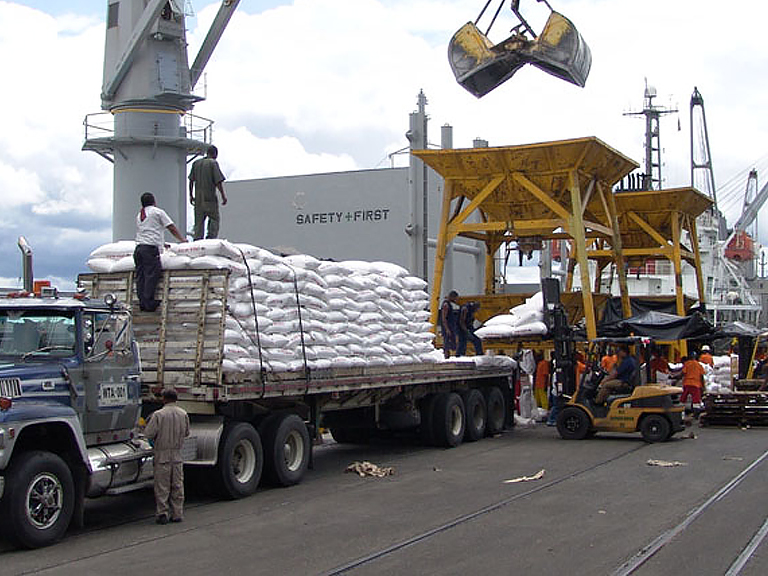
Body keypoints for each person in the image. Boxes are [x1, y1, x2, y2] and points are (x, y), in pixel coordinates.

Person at [134, 193, 187, 312]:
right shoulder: (158, 212)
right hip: (150, 249)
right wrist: (182, 240)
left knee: (140, 276)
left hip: (139, 248)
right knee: (152, 274)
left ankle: (142, 302)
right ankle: (149, 302)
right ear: (154, 201)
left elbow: (148, 232)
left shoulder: (140, 215)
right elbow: (171, 227)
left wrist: (162, 244)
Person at [144, 389, 190, 524]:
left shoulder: (158, 415)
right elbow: (187, 432)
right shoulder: (183, 414)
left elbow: (149, 434)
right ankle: (177, 514)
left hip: (162, 454)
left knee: (162, 486)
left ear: (164, 399)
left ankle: (162, 513)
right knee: (177, 485)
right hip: (177, 454)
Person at [189, 145, 227, 240]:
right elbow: (218, 181)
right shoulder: (213, 163)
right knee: (214, 219)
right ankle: (210, 238)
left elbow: (191, 180)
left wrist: (190, 195)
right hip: (209, 198)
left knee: (198, 222)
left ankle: (197, 239)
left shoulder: (196, 163)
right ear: (215, 154)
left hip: (198, 199)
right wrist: (223, 196)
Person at [440, 290, 460, 358]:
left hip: (451, 327)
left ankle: (450, 355)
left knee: (453, 343)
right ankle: (446, 356)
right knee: (447, 343)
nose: (456, 300)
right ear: (452, 297)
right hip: (448, 327)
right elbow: (444, 318)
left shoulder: (449, 304)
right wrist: (447, 329)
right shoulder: (446, 305)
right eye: (455, 298)